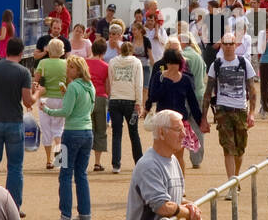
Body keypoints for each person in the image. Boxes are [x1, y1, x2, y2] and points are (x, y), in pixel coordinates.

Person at [0, 37, 37, 213]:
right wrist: (38, 93)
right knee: (15, 166)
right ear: (21, 52)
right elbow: (27, 101)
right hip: (14, 122)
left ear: (6, 51)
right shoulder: (23, 72)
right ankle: (13, 207)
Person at [40, 54, 96, 220]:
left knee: (65, 172)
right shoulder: (90, 86)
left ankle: (66, 212)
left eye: (70, 67)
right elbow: (89, 109)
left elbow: (66, 112)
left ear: (78, 70)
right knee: (81, 174)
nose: (67, 69)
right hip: (87, 132)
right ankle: (85, 212)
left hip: (72, 132)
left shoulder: (73, 87)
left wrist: (47, 110)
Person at [202, 32, 258, 179]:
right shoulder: (216, 65)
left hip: (240, 110)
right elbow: (208, 92)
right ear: (221, 45)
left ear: (236, 45)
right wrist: (203, 118)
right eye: (225, 44)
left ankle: (235, 177)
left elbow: (252, 90)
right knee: (228, 148)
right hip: (223, 110)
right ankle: (231, 183)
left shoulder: (244, 63)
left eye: (230, 44)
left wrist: (251, 113)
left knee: (240, 150)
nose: (228, 47)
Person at [144, 49, 202, 173]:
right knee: (163, 153)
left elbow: (193, 102)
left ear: (180, 64)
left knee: (179, 155)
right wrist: (166, 81)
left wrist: (201, 121)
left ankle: (181, 186)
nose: (172, 66)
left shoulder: (186, 80)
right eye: (169, 63)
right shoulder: (158, 77)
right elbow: (153, 97)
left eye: (175, 63)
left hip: (179, 122)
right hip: (162, 122)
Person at [107, 41, 144, 174]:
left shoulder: (112, 61)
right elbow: (139, 84)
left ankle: (116, 164)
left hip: (115, 99)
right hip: (130, 100)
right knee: (134, 133)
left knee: (117, 134)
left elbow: (111, 80)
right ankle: (139, 162)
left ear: (120, 50)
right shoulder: (136, 62)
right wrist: (139, 102)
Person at [34, 38, 68, 170]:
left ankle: (48, 160)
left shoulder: (43, 62)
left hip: (44, 98)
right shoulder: (66, 63)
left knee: (46, 129)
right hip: (61, 98)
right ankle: (60, 159)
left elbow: (36, 81)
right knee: (59, 129)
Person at [178, 33, 207, 168]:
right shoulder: (198, 56)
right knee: (197, 128)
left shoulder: (184, 57)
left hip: (186, 95)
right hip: (199, 94)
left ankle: (178, 157)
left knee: (180, 126)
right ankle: (197, 159)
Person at [86, 38, 110, 172]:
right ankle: (97, 162)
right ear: (103, 52)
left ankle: (84, 159)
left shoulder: (84, 62)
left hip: (87, 98)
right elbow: (107, 86)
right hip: (101, 97)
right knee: (101, 130)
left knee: (88, 129)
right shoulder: (105, 66)